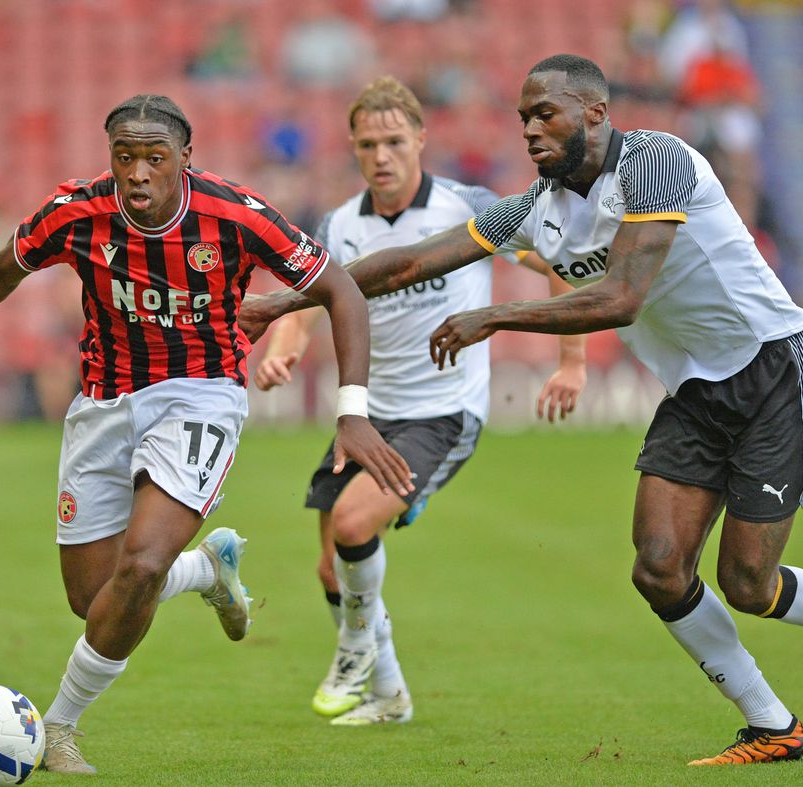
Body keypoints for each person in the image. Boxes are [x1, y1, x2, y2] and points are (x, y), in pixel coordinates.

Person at [240, 55, 803, 764]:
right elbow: (409, 261)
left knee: (748, 583)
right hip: (696, 392)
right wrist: (282, 302)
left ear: (595, 112)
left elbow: (622, 298)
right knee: (658, 568)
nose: (530, 129)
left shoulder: (655, 162)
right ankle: (771, 725)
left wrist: (495, 315)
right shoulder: (535, 208)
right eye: (523, 118)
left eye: (545, 113)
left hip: (773, 369)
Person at [0, 94, 412, 774]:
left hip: (201, 396)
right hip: (104, 403)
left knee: (140, 567)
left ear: (184, 159)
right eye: (125, 157)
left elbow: (341, 290)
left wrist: (352, 410)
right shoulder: (75, 213)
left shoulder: (235, 215)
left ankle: (58, 727)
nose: (138, 172)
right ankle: (205, 569)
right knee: (95, 602)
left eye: (154, 158)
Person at [252, 76, 587, 726]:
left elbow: (553, 260)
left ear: (421, 140)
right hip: (367, 412)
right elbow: (314, 298)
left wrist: (570, 361)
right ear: (353, 147)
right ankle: (389, 695)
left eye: (394, 142)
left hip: (443, 412)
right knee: (331, 569)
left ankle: (354, 649)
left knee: (353, 526)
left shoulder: (467, 207)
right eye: (368, 144)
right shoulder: (340, 225)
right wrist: (283, 348)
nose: (381, 156)